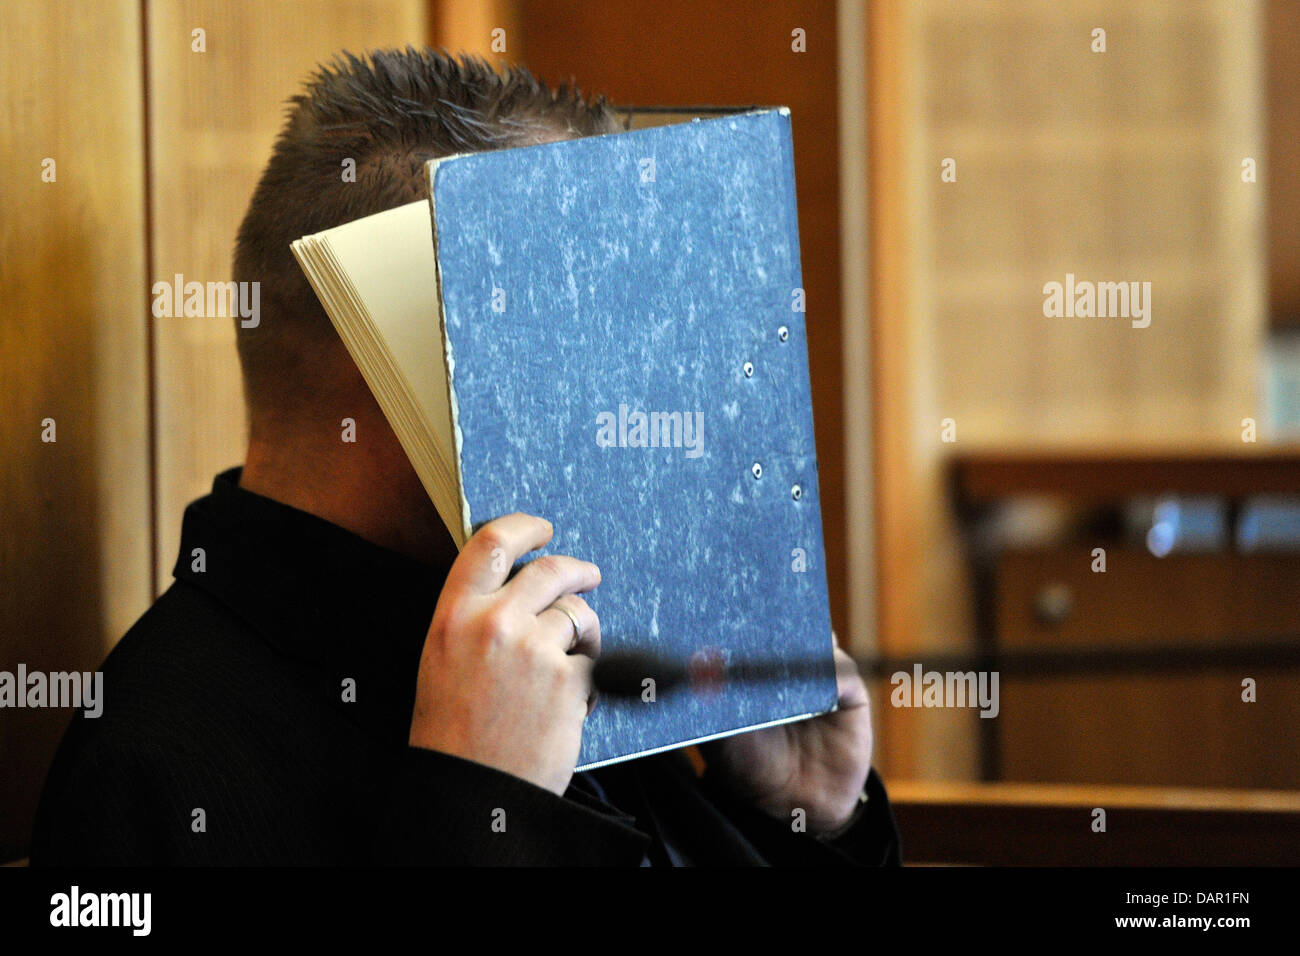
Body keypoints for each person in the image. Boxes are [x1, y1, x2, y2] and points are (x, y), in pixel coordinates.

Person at [31, 48, 901, 866]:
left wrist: (807, 824)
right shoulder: (156, 760)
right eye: (573, 322)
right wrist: (484, 812)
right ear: (395, 351)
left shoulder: (569, 636)